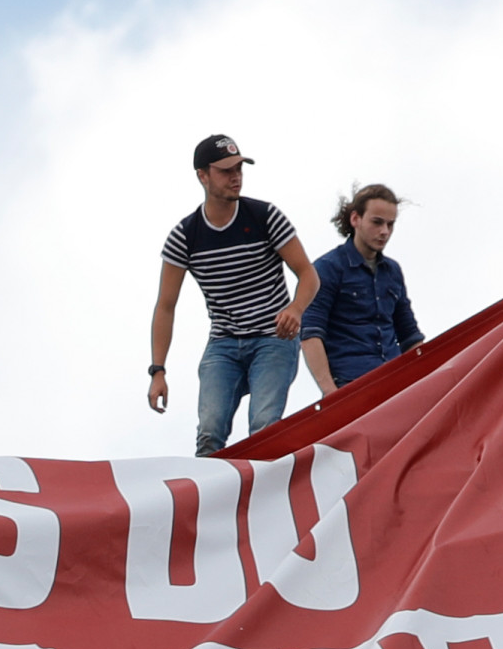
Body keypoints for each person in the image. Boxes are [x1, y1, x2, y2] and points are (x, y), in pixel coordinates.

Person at [148, 134, 320, 456]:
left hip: (273, 337)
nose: (236, 176)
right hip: (224, 343)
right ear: (203, 176)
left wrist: (296, 309)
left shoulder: (265, 216)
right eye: (226, 171)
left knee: (264, 427)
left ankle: (266, 486)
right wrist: (158, 370)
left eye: (239, 168)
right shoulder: (185, 237)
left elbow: (308, 274)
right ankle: (210, 488)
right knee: (209, 432)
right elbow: (165, 306)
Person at [299, 184, 423, 393]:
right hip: (352, 384)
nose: (384, 231)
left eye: (390, 224)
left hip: (397, 382)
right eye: (377, 222)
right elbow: (310, 334)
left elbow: (410, 336)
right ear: (355, 219)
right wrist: (330, 393)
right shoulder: (328, 268)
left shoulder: (392, 271)